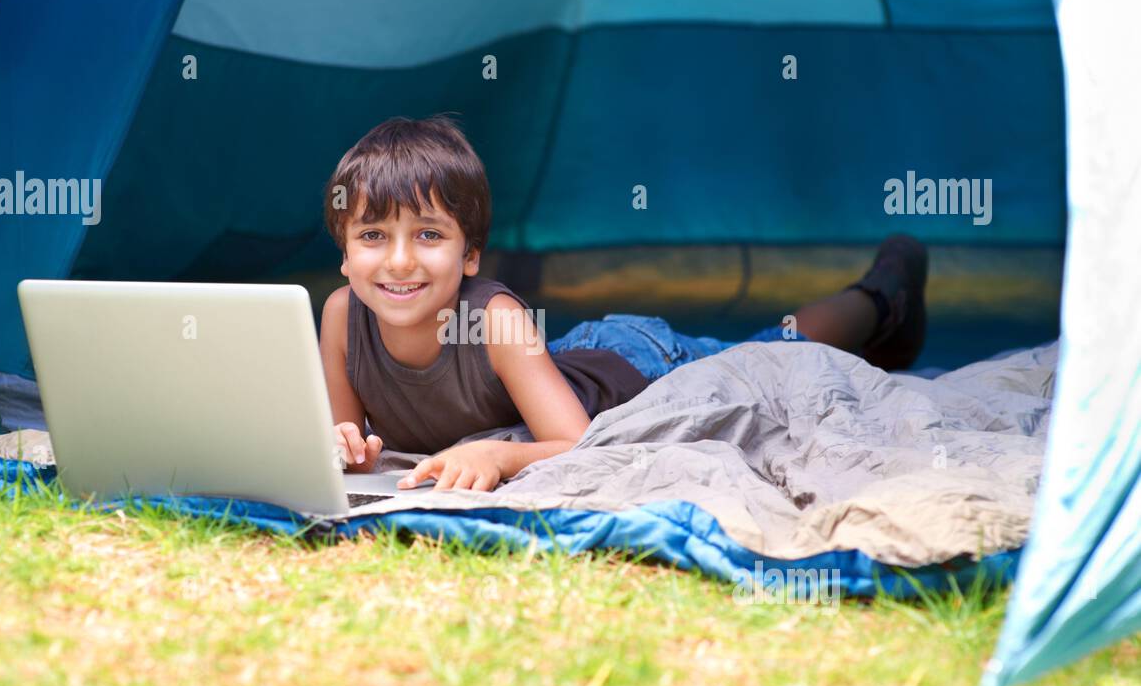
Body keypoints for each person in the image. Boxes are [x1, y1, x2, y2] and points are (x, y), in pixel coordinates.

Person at [318, 115, 927, 492]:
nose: (398, 260)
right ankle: (880, 303)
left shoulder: (494, 321)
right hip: (566, 357)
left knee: (769, 353)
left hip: (634, 361)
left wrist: (498, 454)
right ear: (345, 255)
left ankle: (880, 297)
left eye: (428, 235)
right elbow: (347, 433)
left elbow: (577, 444)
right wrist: (351, 445)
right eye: (373, 236)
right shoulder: (343, 315)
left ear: (470, 255)